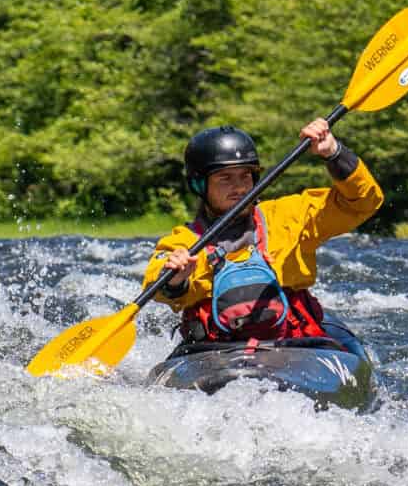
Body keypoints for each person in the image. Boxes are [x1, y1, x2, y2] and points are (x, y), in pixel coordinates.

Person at [142, 120, 382, 353]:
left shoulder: (289, 216)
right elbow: (157, 281)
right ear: (199, 185)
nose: (239, 187)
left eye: (245, 176)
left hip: (295, 346)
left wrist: (334, 153)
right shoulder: (184, 241)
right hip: (215, 353)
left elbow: (363, 203)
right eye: (225, 178)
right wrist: (175, 280)